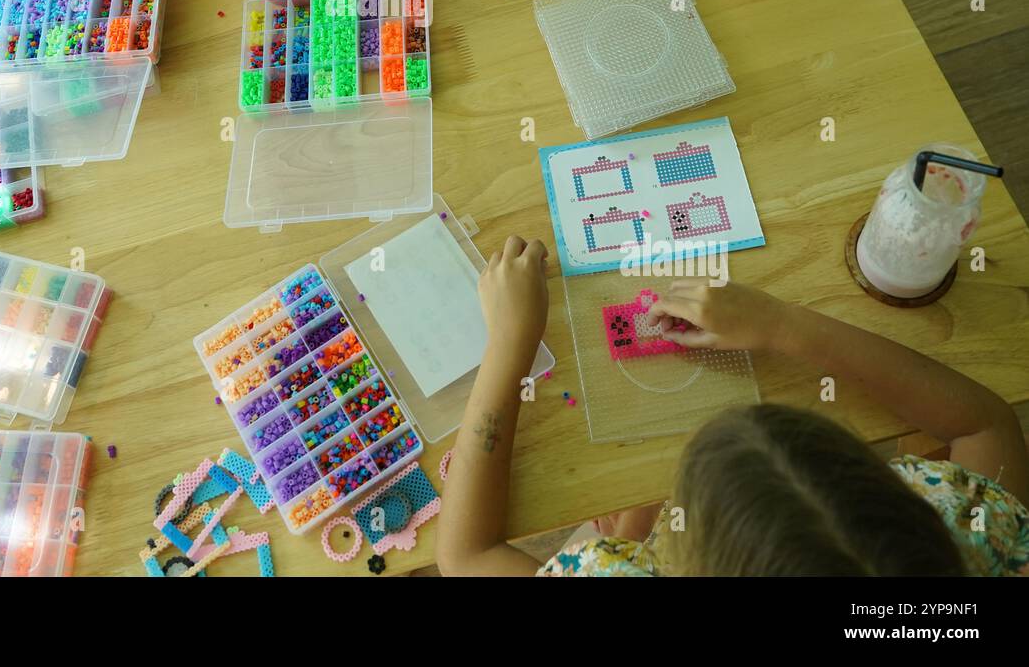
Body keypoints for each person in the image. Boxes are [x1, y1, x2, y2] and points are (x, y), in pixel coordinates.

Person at [438, 239, 1029, 576]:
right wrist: (783, 324)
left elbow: (466, 556)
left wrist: (510, 344)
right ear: (907, 497)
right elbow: (986, 422)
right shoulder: (968, 545)